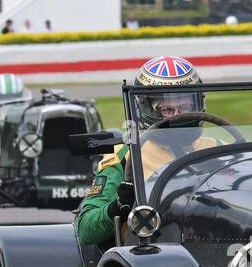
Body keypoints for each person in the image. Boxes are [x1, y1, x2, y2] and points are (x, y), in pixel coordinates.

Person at [75, 56, 219, 247]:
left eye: (185, 107)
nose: (179, 116)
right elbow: (86, 228)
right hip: (153, 251)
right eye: (167, 109)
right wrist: (117, 208)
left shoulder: (219, 148)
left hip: (217, 242)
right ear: (146, 109)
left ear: (198, 102)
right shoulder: (126, 156)